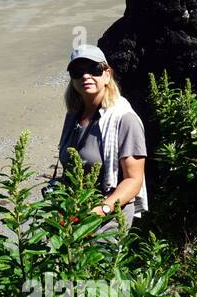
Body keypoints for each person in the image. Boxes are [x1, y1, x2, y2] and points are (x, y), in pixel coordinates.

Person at [54, 44, 148, 228]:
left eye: (93, 69)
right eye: (77, 71)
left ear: (107, 74)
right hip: (73, 212)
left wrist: (101, 210)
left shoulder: (125, 119)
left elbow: (134, 180)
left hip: (107, 220)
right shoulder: (73, 115)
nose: (86, 76)